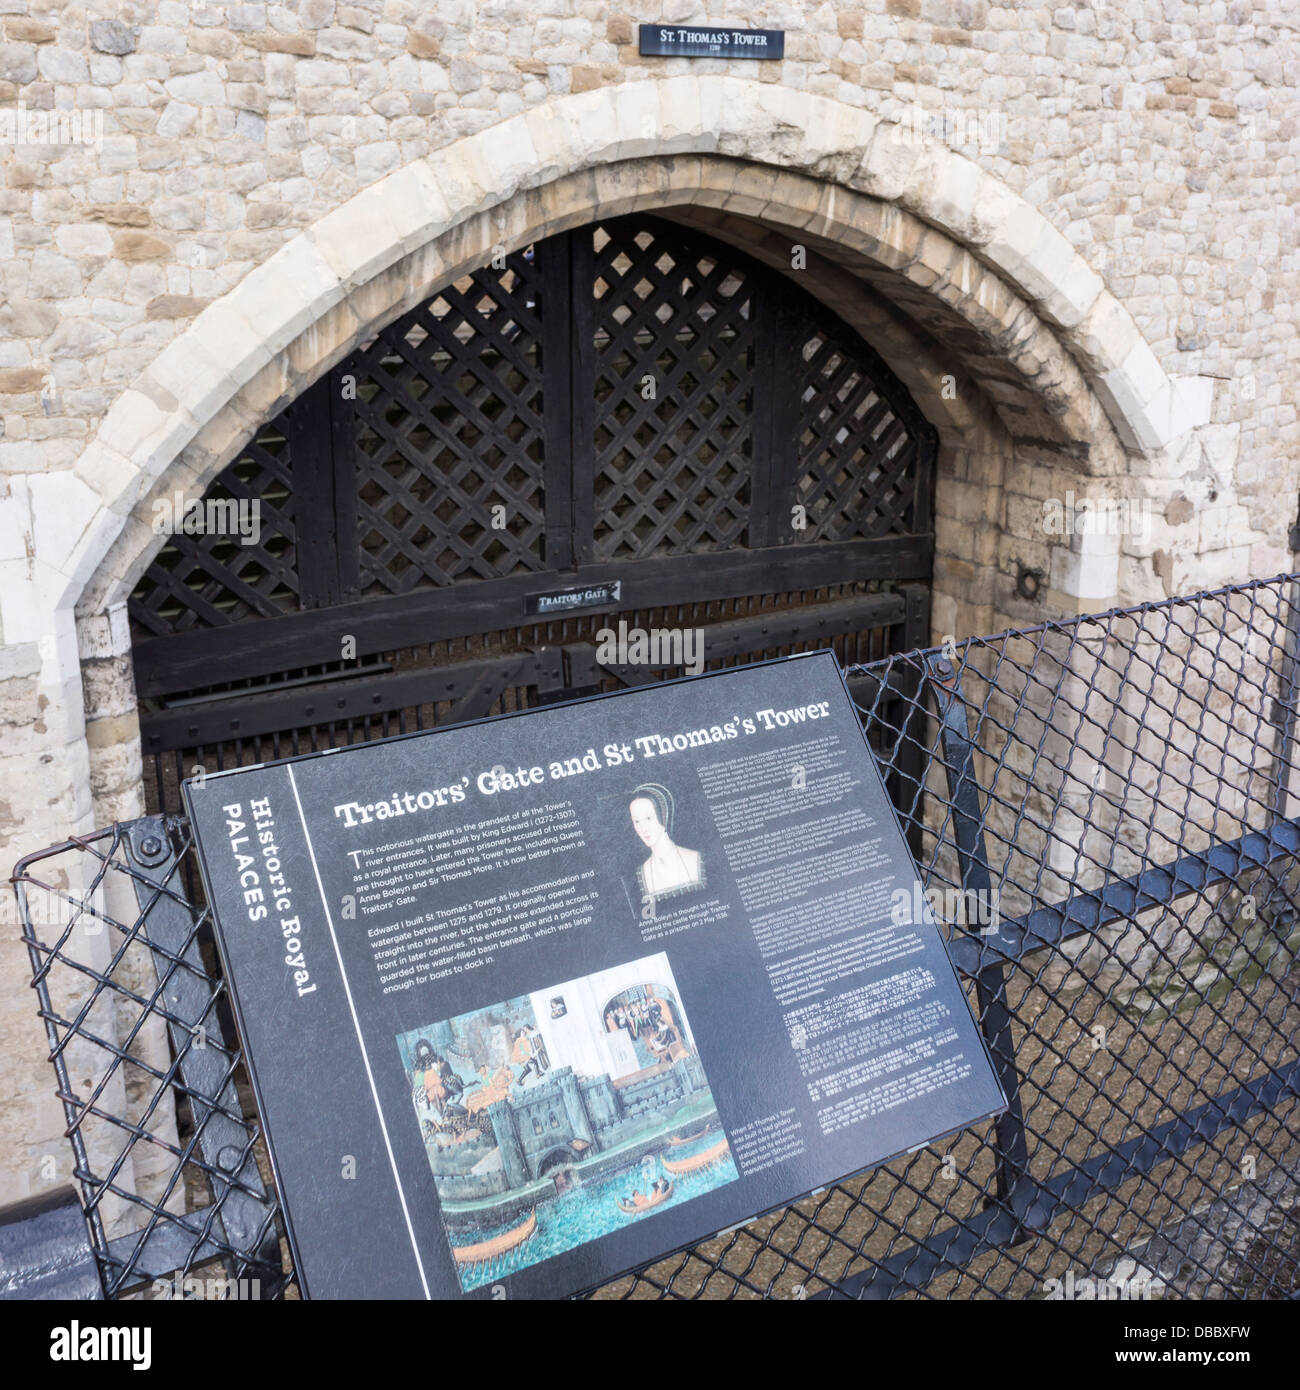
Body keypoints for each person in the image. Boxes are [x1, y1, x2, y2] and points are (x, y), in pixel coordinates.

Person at [630, 784, 705, 902]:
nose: (642, 828)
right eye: (637, 821)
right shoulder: (641, 873)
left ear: (664, 815)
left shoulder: (696, 858)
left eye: (648, 818)